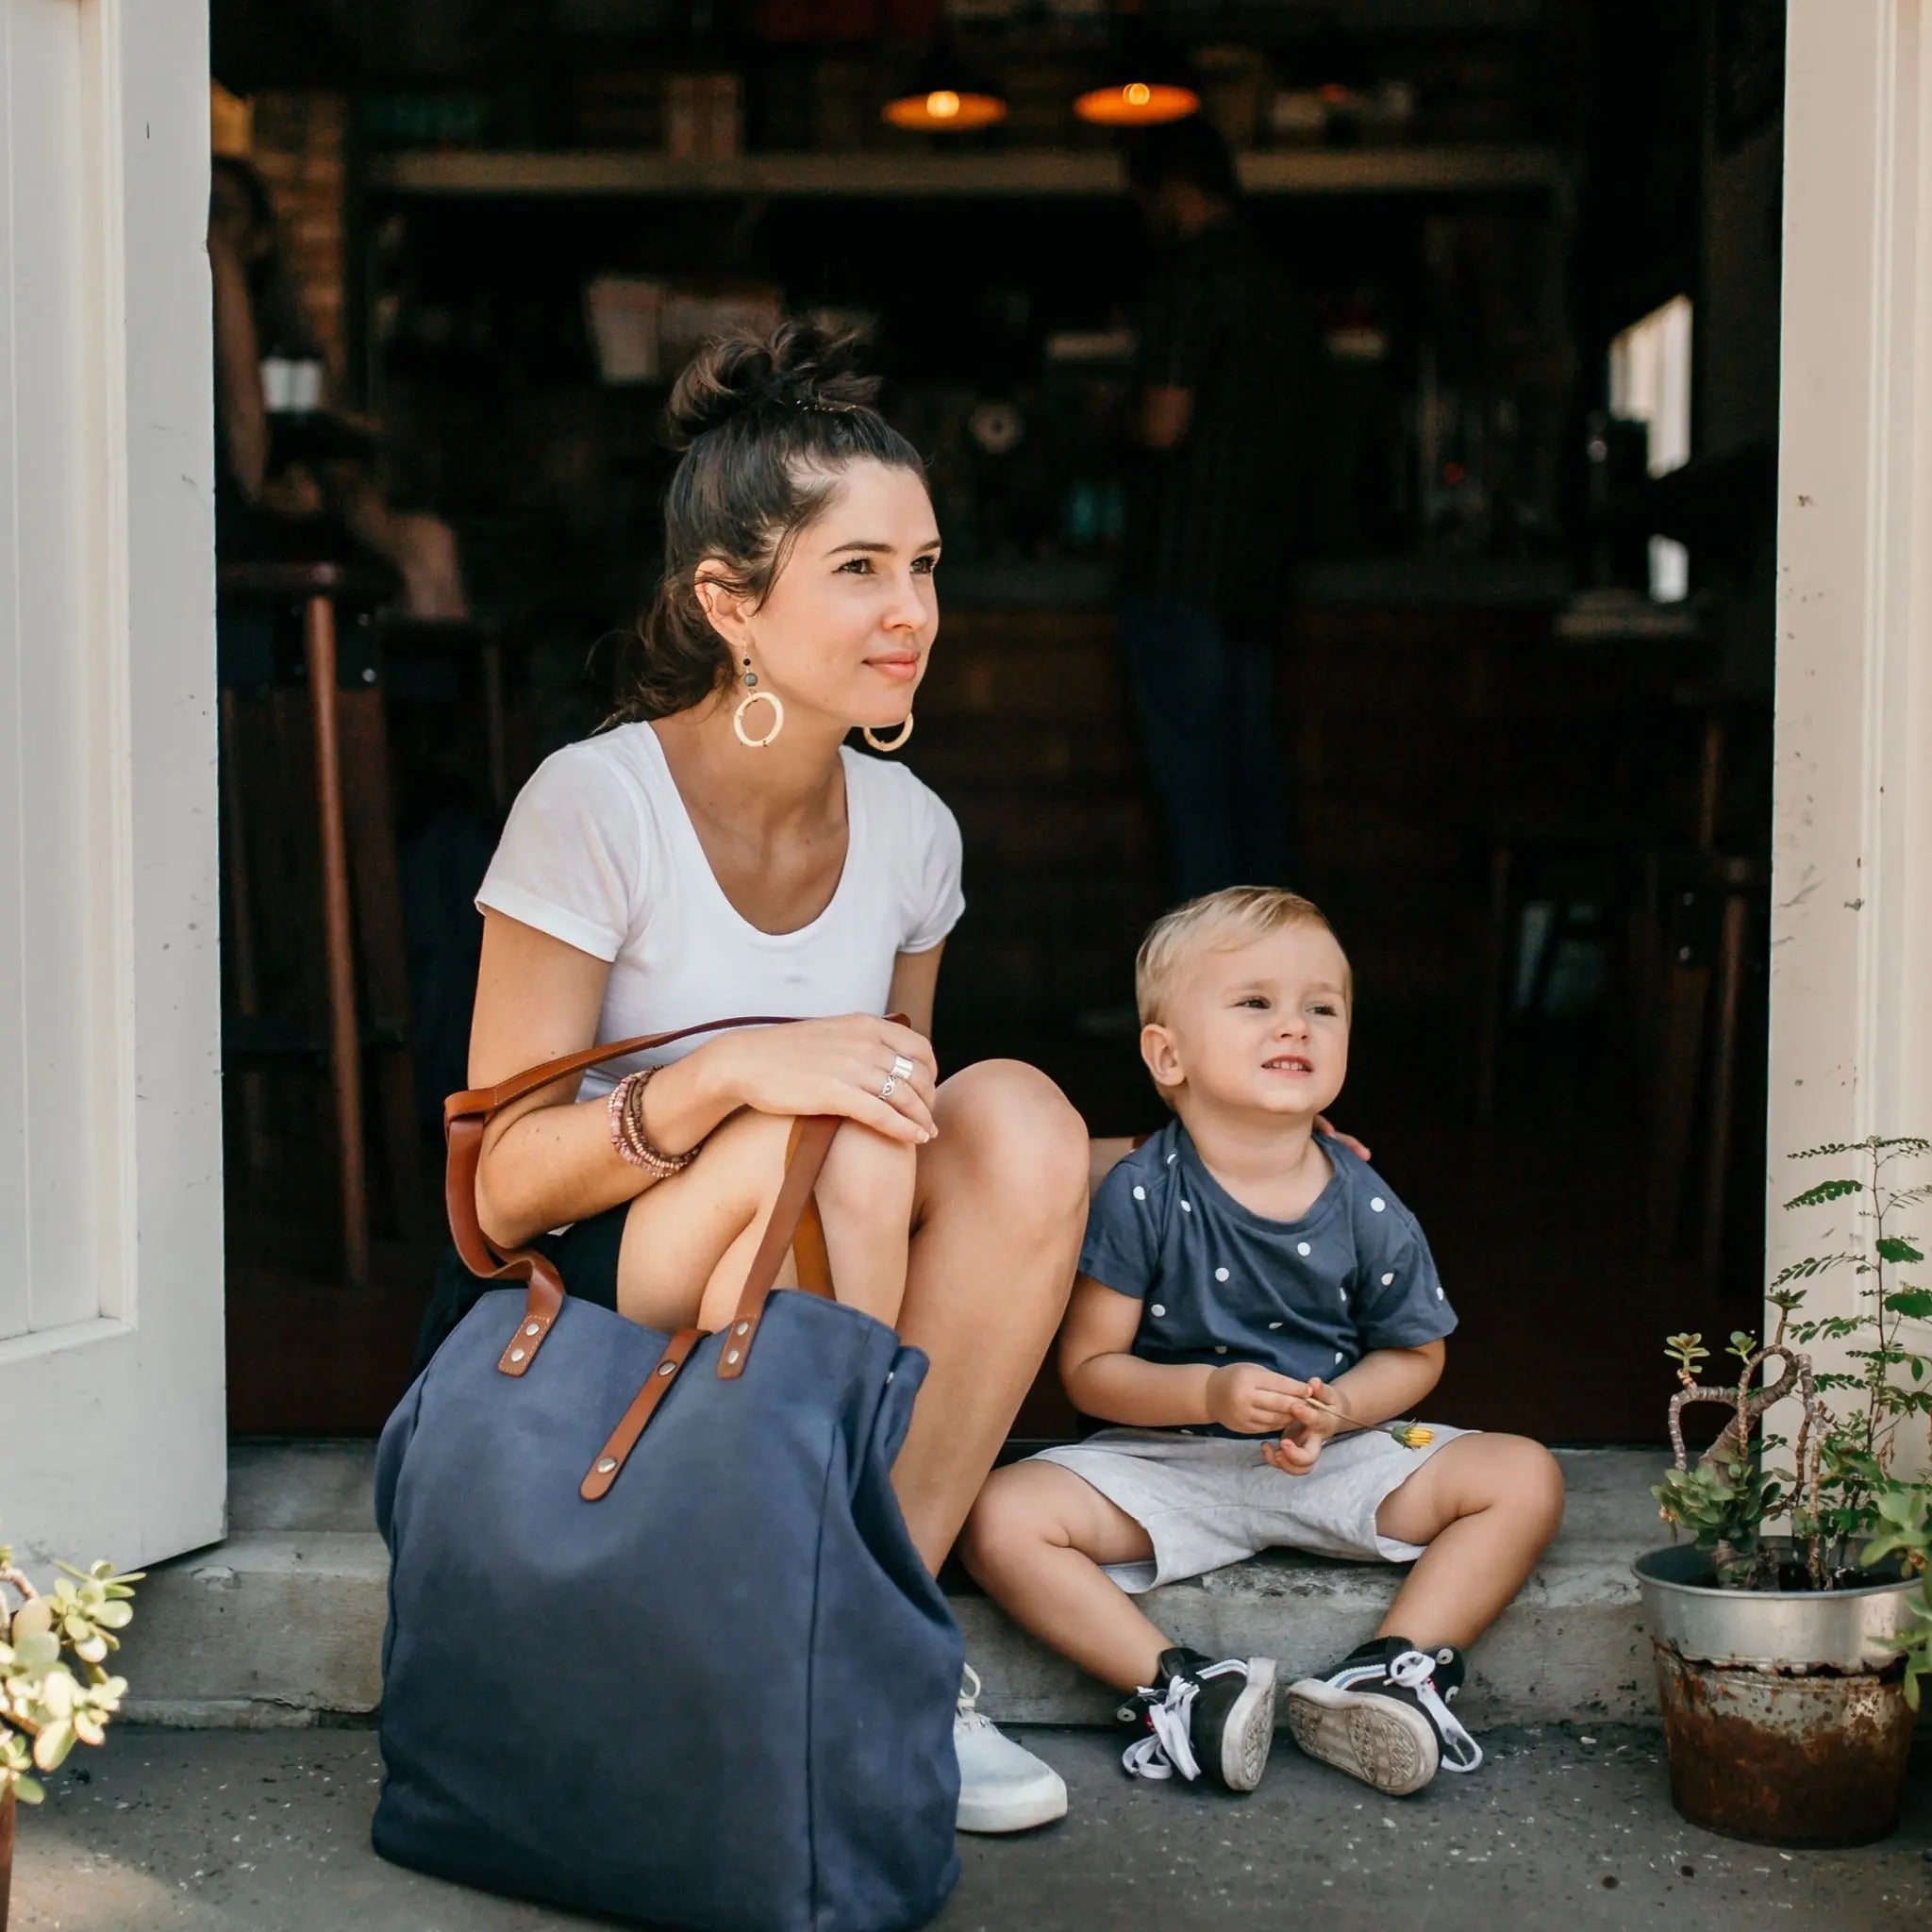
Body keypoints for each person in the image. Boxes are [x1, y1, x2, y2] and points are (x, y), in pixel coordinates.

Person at [413, 318, 1089, 1837]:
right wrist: (731, 1072)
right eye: (858, 569)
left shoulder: (914, 831)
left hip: (818, 1240)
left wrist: (1228, 1160)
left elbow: (909, 1117)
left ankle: (870, 1636)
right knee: (819, 1108)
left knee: (1020, 1119)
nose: (909, 609)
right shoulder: (596, 804)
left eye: (923, 566)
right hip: (611, 1263)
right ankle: (836, 1652)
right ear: (728, 600)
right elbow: (498, 1188)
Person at [962, 888, 1566, 1797]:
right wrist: (1206, 1396)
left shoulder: (1364, 1200)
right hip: (1167, 1464)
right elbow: (1090, 1373)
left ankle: (1395, 1669)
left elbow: (1417, 1353)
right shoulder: (1140, 1193)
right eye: (1256, 1003)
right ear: (1168, 1054)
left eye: (1321, 1008)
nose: (1296, 1025)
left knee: (1524, 1477)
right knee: (999, 1518)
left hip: (1334, 1457)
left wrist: (1346, 1406)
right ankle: (1181, 1688)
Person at [1118, 119, 1321, 907]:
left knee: (1196, 805)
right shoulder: (1282, 290)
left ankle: (1204, 1010)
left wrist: (1111, 419)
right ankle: (1275, 1005)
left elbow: (1164, 424)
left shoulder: (1188, 282)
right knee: (1257, 803)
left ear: (1171, 191)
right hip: (1257, 578)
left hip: (1181, 576)